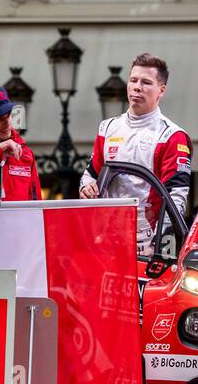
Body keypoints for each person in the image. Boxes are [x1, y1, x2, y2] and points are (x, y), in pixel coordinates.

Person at [79, 53, 192, 255]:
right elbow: (90, 174)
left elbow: (176, 198)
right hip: (105, 239)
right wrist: (87, 187)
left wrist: (160, 246)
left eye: (146, 82)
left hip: (146, 244)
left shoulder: (172, 136)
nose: (137, 87)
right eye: (133, 80)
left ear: (161, 90)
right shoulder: (107, 128)